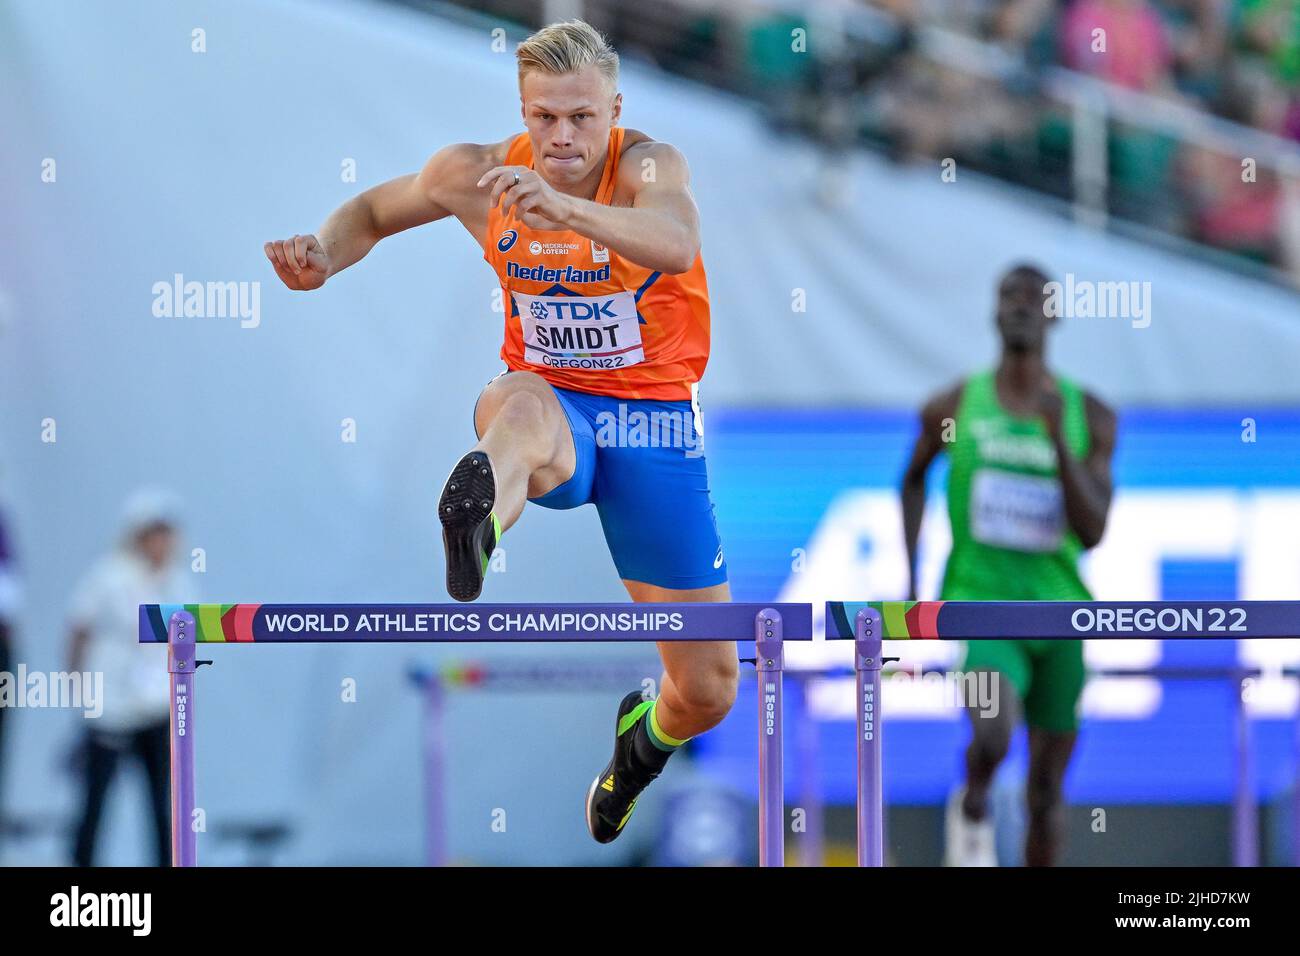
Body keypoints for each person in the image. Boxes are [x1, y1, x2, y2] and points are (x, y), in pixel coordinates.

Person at [263, 20, 734, 845]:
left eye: (582, 119)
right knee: (515, 412)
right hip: (552, 407)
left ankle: (641, 743)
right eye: (545, 117)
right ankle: (478, 527)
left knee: (710, 689)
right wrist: (325, 252)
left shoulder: (651, 165)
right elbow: (374, 208)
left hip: (653, 426)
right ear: (522, 108)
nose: (562, 138)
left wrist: (566, 211)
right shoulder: (476, 174)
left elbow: (678, 240)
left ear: (614, 110)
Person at [900, 264, 1117, 866]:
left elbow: (1094, 530)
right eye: (1008, 297)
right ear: (993, 312)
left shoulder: (1090, 416)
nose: (1020, 307)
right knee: (993, 735)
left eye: (1033, 298)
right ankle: (973, 792)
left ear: (1055, 315)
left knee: (1047, 792)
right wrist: (912, 578)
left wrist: (1056, 443)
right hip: (980, 607)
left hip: (1062, 618)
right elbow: (912, 480)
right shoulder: (952, 406)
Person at [67, 489, 194, 866]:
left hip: (155, 708)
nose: (161, 542)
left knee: (162, 805)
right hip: (110, 708)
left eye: (166, 532)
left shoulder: (179, 581)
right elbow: (78, 630)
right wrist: (78, 691)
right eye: (153, 532)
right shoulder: (108, 576)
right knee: (95, 801)